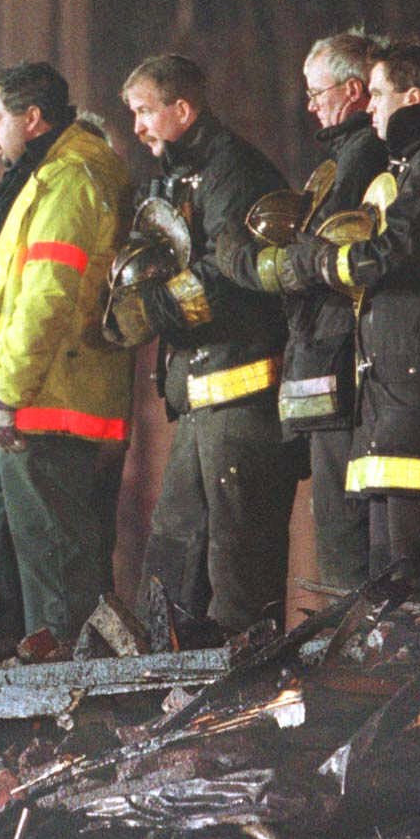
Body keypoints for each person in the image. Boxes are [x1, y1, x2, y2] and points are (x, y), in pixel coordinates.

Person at [271, 43, 420, 587]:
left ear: (414, 98)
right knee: (391, 583)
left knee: (418, 587)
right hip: (400, 398)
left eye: (378, 94)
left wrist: (322, 261)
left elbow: (397, 251)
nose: (371, 107)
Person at [0, 62, 131, 659]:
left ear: (33, 119)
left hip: (40, 404)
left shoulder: (71, 177)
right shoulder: (44, 175)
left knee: (54, 569)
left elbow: (48, 294)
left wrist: (9, 392)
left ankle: (69, 703)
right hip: (17, 402)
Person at [118, 53, 299, 636]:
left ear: (183, 109)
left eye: (146, 112)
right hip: (201, 396)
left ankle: (246, 692)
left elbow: (225, 279)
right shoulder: (178, 175)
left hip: (239, 396)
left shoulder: (234, 173)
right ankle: (171, 680)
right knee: (174, 549)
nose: (138, 127)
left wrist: (152, 308)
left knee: (238, 558)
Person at [213, 32, 391, 591]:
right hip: (330, 372)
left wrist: (243, 263)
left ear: (354, 90)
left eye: (317, 93)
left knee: (345, 544)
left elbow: (312, 261)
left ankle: (355, 665)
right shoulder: (342, 159)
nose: (310, 106)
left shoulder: (362, 157)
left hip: (341, 370)